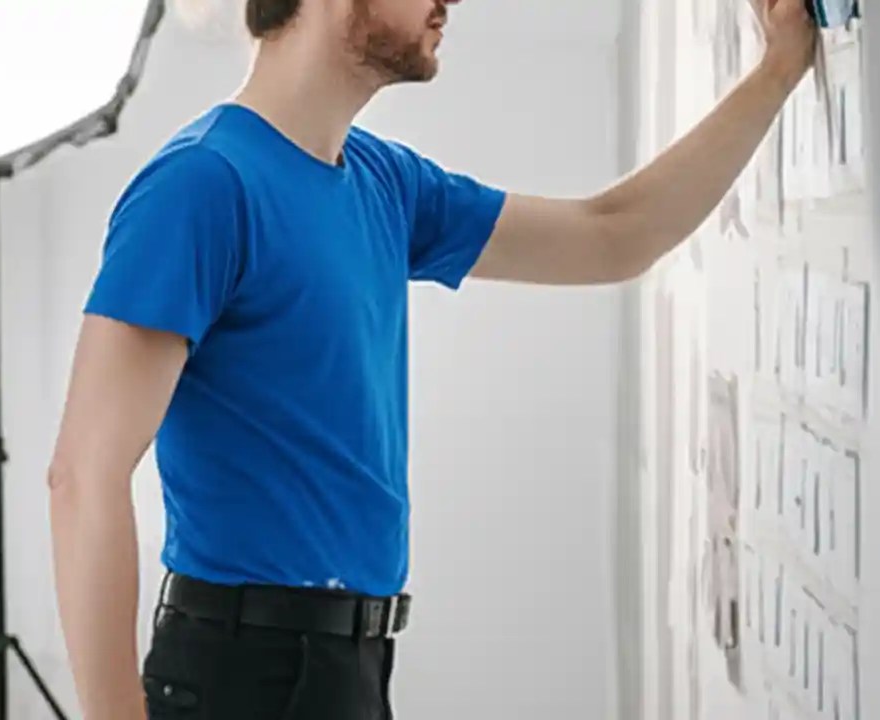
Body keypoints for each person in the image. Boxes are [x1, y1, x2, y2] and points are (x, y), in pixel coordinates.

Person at [47, 0, 815, 717]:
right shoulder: (202, 185)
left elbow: (614, 233)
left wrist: (777, 70)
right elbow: (84, 476)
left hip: (352, 667)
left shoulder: (384, 182)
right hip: (241, 671)